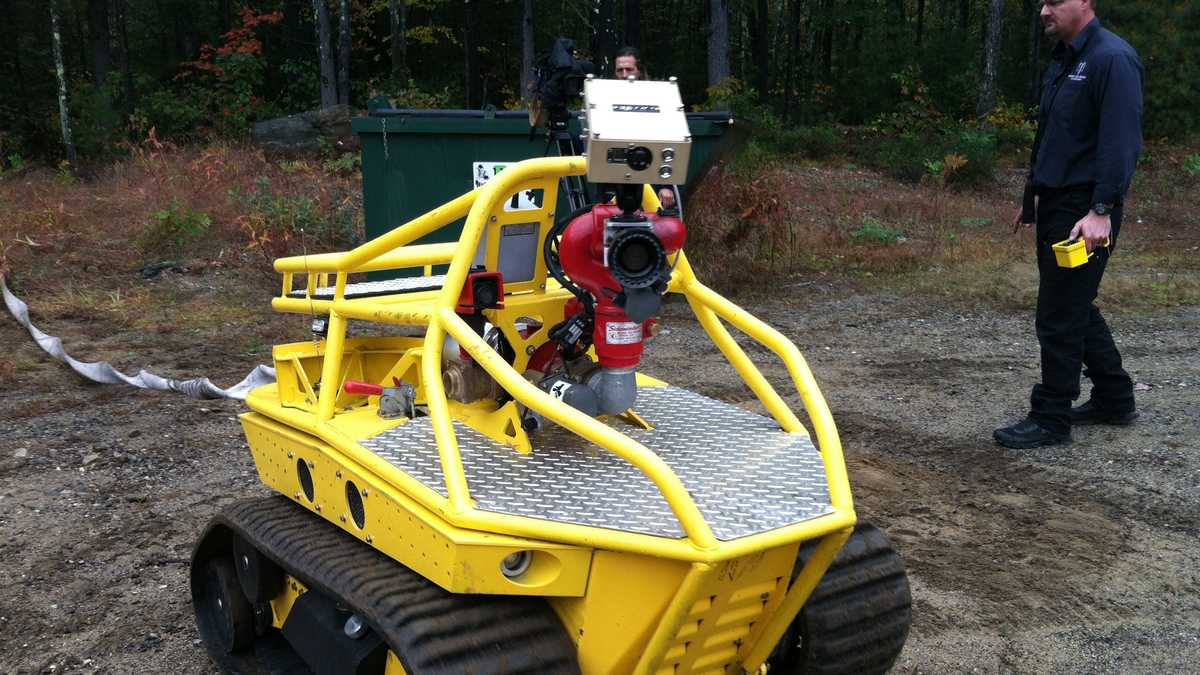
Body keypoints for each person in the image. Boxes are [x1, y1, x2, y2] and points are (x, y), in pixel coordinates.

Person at [994, 0, 1143, 449]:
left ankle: (1051, 416)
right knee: (1073, 302)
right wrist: (1032, 197)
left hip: (1085, 208)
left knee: (1059, 312)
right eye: (1041, 2)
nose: (1044, 10)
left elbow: (1121, 141)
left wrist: (1102, 209)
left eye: (1055, 1)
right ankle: (1115, 398)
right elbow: (1052, 137)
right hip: (1059, 203)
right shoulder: (1066, 58)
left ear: (1086, 2)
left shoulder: (1111, 59)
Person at [612, 46, 678, 211]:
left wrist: (666, 186)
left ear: (639, 71)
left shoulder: (656, 98)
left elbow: (666, 142)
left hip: (650, 175)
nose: (625, 75)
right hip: (613, 176)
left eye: (629, 69)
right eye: (620, 70)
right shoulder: (604, 98)